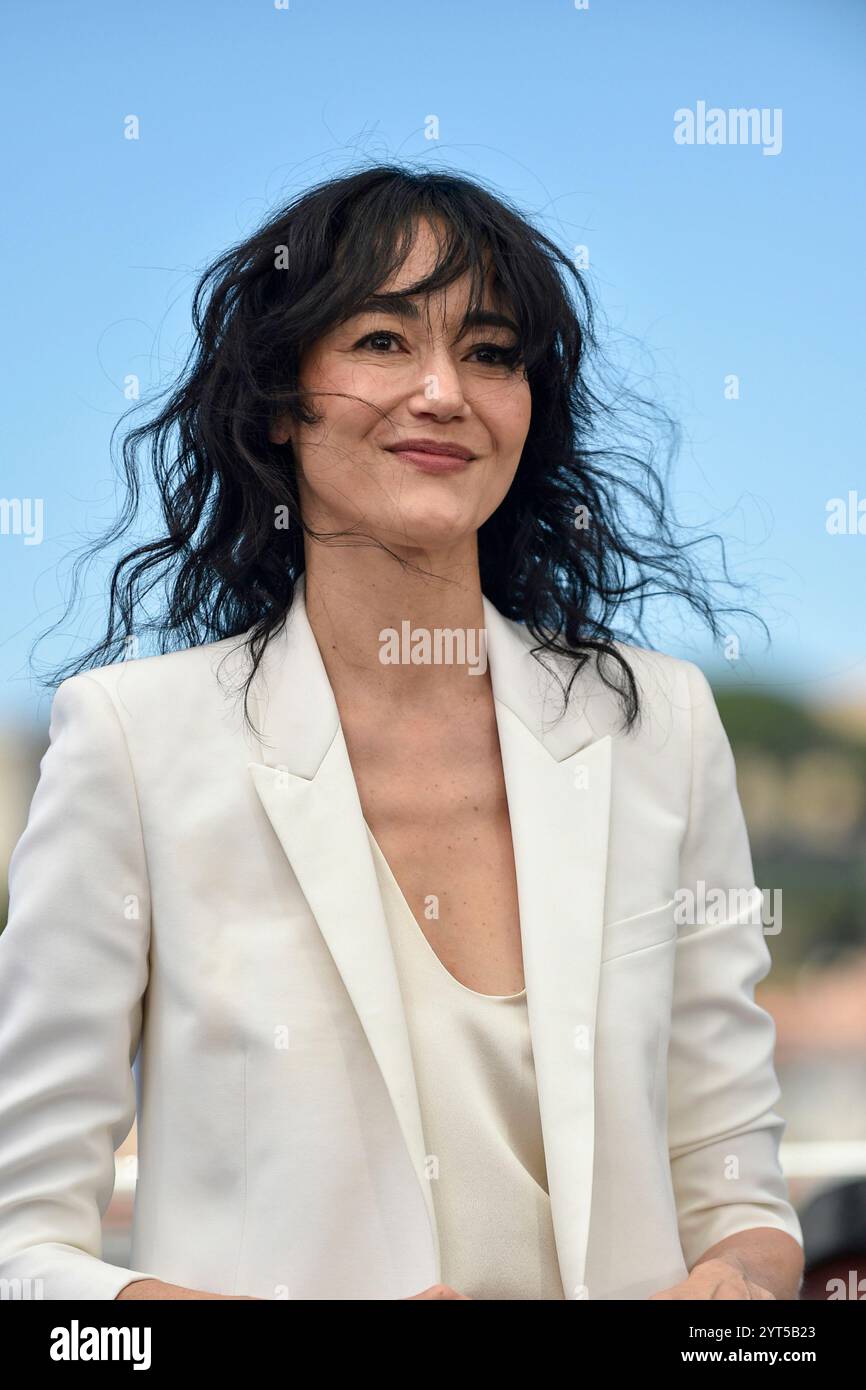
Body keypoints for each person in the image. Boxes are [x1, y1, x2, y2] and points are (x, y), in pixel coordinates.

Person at [0, 165, 804, 1300]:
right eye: (381, 341)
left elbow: (735, 1196)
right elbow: (19, 1253)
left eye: (488, 352)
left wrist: (734, 1286)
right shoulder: (132, 741)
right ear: (281, 402)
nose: (441, 391)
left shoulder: (657, 724)